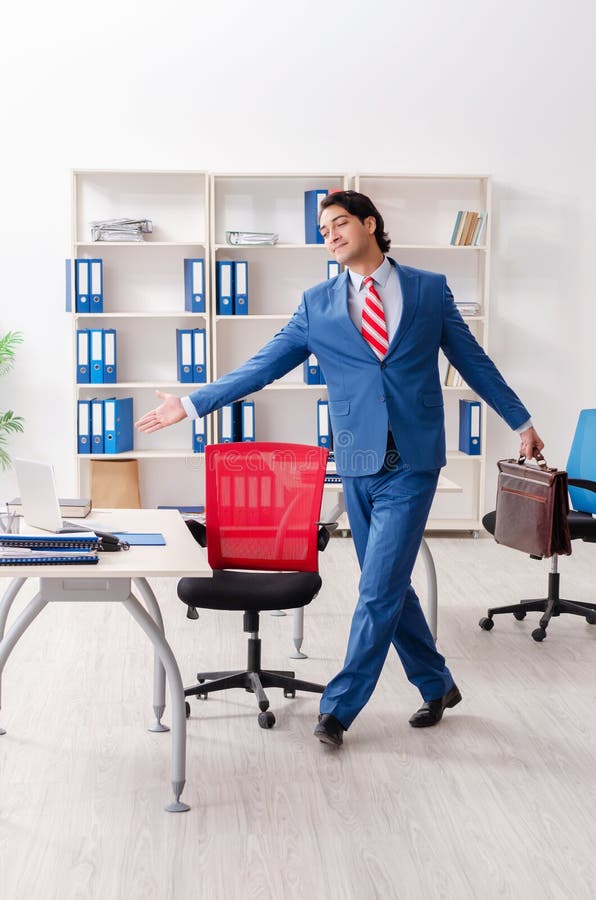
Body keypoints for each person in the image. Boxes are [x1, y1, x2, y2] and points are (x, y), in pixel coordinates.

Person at [135, 190, 543, 748]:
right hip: (356, 459)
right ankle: (437, 683)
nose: (329, 234)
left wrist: (521, 421)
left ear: (370, 224)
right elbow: (260, 368)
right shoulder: (316, 305)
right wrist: (189, 404)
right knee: (392, 584)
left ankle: (339, 708)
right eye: (323, 228)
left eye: (340, 222)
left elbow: (472, 361)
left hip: (414, 459)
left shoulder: (428, 289)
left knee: (376, 587)